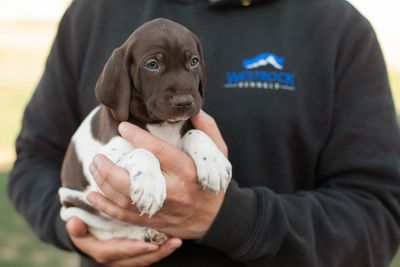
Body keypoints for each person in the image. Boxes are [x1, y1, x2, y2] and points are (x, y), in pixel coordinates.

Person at [8, 0, 400, 266]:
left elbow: (378, 214)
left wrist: (233, 218)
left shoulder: (336, 28)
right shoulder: (93, 12)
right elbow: (34, 161)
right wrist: (81, 224)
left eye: (193, 65)